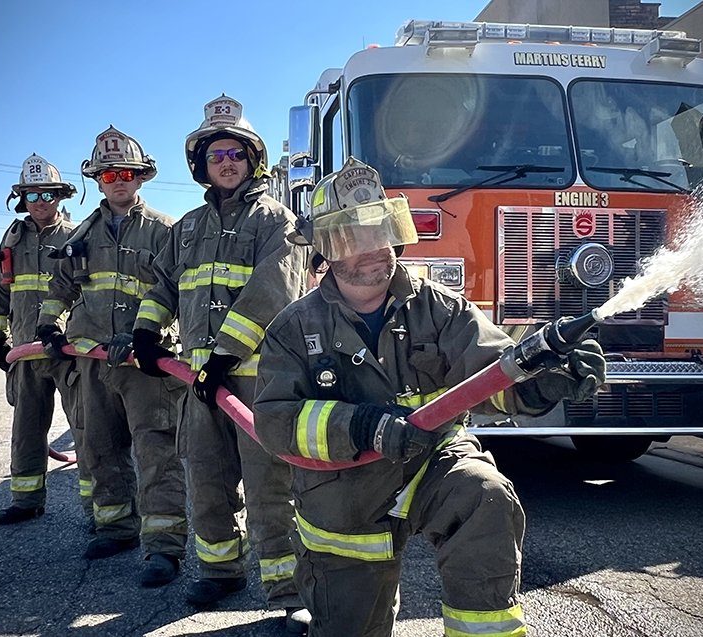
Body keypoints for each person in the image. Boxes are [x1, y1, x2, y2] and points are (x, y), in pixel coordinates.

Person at [253, 158, 607, 637]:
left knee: (485, 497)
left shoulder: (440, 307)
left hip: (433, 458)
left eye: (381, 231)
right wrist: (360, 427)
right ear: (325, 250)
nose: (373, 250)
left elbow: (491, 374)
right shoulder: (293, 329)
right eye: (353, 239)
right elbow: (275, 421)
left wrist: (545, 381)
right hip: (342, 494)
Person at [132, 95, 311, 633]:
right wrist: (146, 330)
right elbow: (161, 284)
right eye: (216, 155)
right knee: (205, 478)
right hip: (199, 382)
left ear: (252, 159)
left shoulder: (279, 222)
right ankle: (219, 570)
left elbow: (272, 292)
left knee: (269, 488)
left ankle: (289, 591)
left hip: (259, 381)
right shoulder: (185, 227)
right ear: (202, 166)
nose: (226, 161)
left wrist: (225, 355)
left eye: (235, 152)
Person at [35, 127, 187, 588]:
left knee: (156, 451)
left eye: (126, 172)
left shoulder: (167, 231)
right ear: (97, 181)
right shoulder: (81, 233)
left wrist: (154, 335)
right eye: (108, 174)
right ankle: (117, 527)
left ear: (141, 178)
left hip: (144, 363)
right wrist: (49, 325)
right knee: (97, 448)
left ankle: (163, 546)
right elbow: (60, 287)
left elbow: (181, 293)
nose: (117, 180)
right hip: (91, 358)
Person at [0, 154, 93, 527]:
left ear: (60, 196)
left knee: (85, 426)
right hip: (25, 351)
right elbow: (1, 290)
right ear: (22, 199)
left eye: (48, 193)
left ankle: (99, 506)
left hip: (67, 351)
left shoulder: (78, 236)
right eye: (33, 195)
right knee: (27, 428)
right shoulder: (12, 239)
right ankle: (26, 499)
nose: (41, 201)